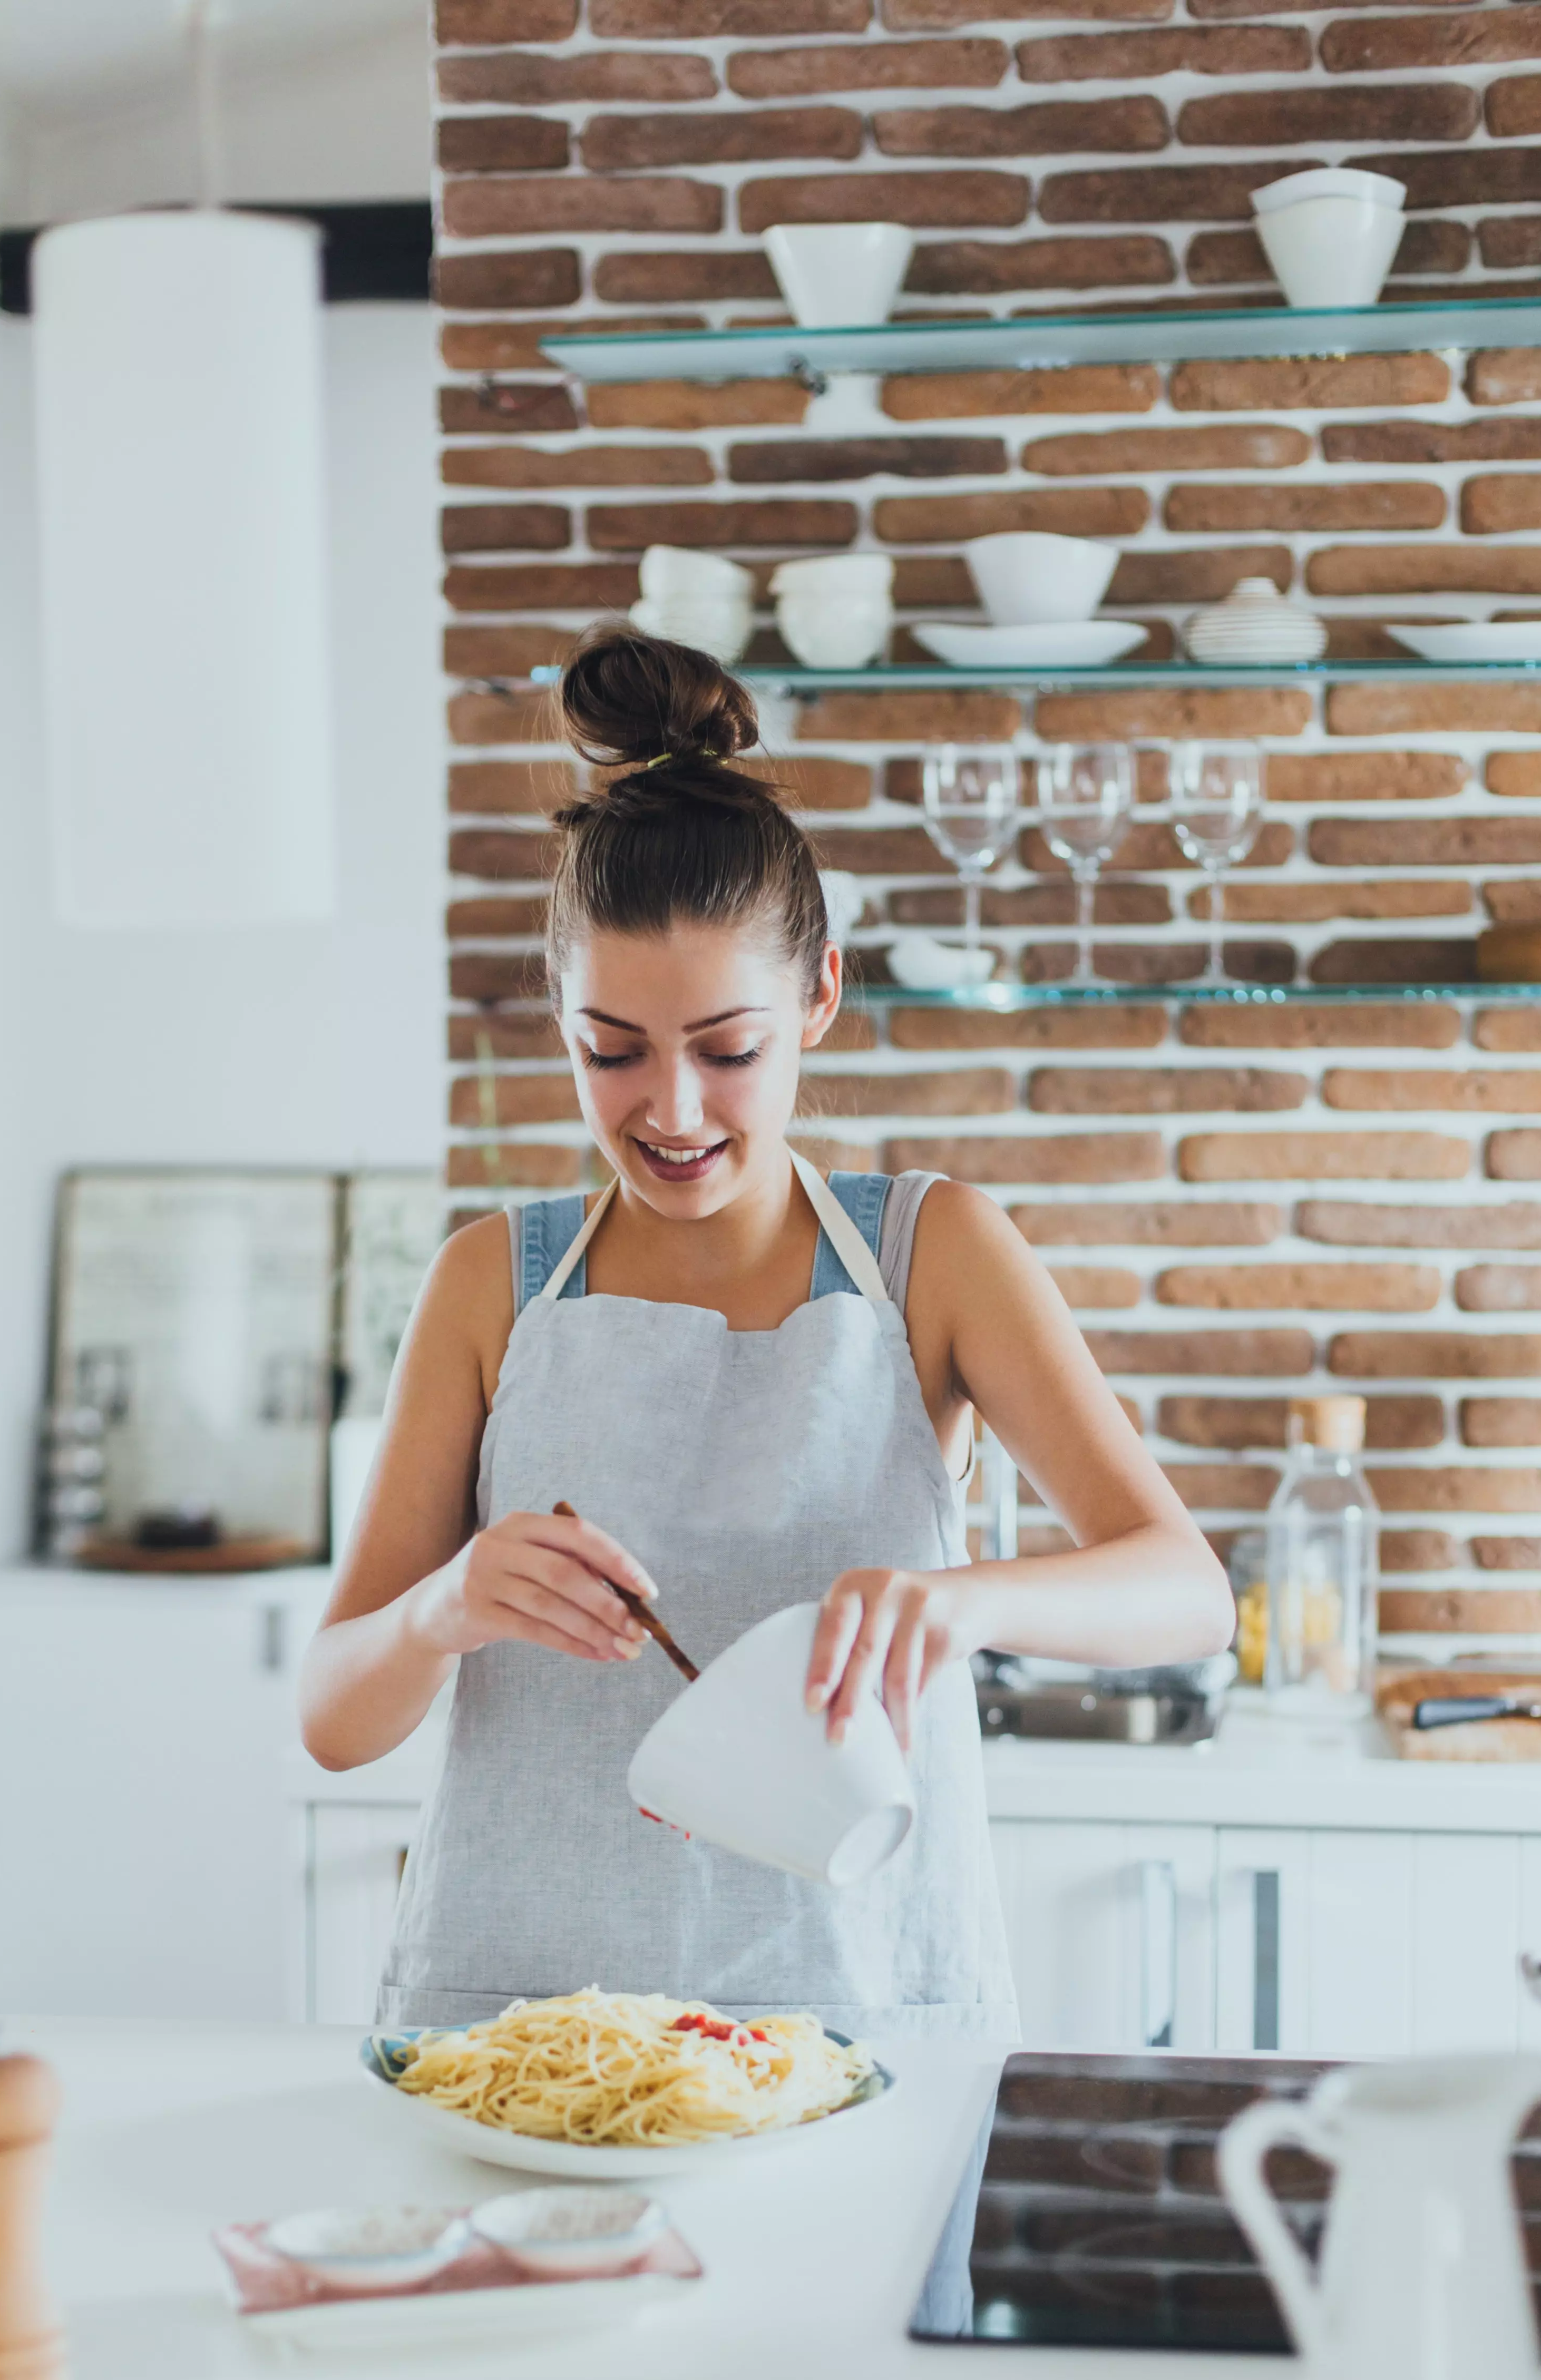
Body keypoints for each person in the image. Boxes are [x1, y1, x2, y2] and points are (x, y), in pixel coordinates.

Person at [300, 628, 1233, 2036]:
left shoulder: (936, 1255)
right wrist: (444, 1612)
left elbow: (1186, 1589)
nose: (670, 1111)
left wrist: (966, 1602)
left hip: (857, 2017)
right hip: (519, 2031)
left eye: (728, 1052)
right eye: (611, 1051)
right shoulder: (491, 1284)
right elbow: (334, 1714)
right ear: (560, 1022)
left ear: (821, 1000)